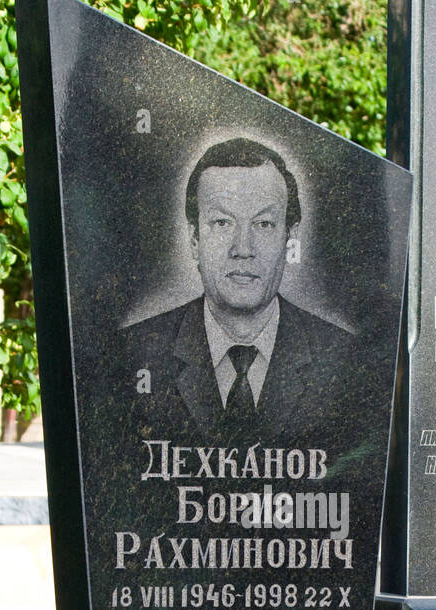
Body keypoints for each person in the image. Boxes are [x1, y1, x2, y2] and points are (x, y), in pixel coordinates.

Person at [125, 137, 352, 433]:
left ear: (289, 237)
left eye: (264, 224)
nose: (242, 248)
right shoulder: (134, 352)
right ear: (194, 240)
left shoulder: (345, 359)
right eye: (222, 223)